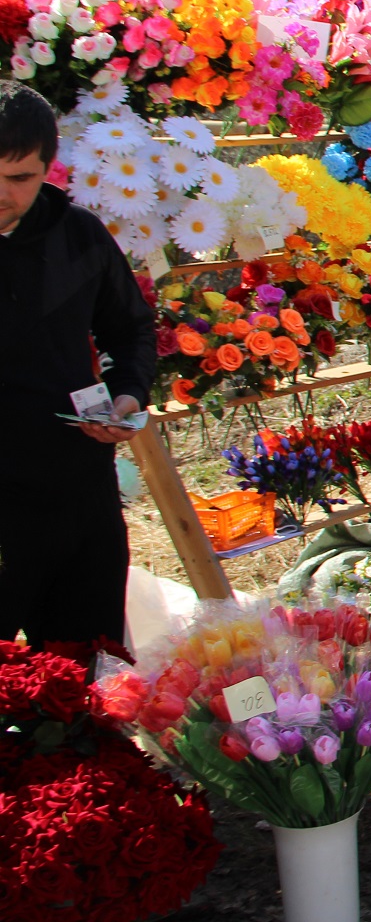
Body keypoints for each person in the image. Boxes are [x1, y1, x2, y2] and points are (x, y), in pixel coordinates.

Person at [0, 82, 155, 647]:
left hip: (79, 493)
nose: (2, 193)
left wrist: (126, 398)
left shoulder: (78, 236)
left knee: (84, 681)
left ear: (48, 167)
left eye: (19, 178)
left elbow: (130, 328)